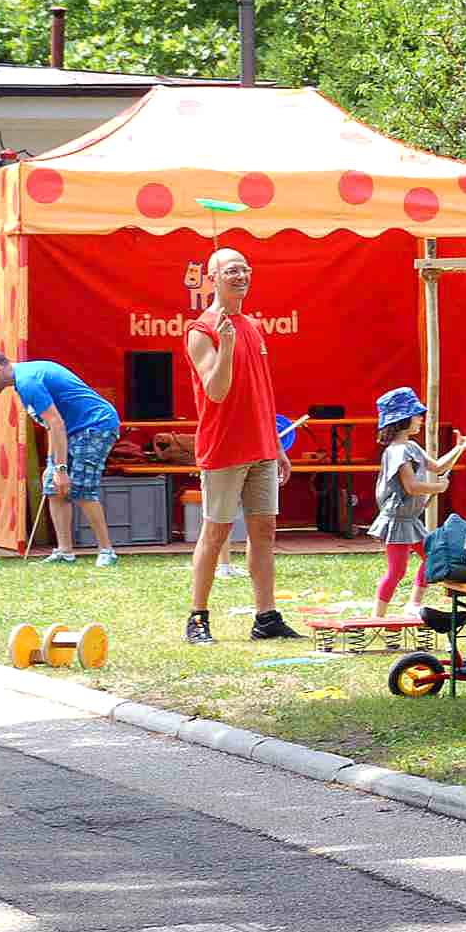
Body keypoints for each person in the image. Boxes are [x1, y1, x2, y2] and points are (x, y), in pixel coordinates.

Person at [182, 247, 301, 644]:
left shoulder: (251, 325)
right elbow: (216, 392)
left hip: (263, 446)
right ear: (212, 278)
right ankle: (197, 618)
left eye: (245, 269)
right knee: (215, 534)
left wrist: (276, 443)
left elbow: (260, 391)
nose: (241, 276)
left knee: (263, 530)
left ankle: (266, 617)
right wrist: (227, 347)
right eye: (231, 270)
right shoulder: (201, 331)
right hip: (224, 447)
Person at [0, 351, 122, 566]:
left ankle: (107, 551)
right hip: (71, 430)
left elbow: (57, 423)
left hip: (96, 426)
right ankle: (64, 552)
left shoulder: (28, 381)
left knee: (82, 489)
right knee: (53, 488)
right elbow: (52, 425)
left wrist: (61, 469)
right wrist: (52, 464)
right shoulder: (23, 380)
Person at [367, 387, 466, 618]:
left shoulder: (411, 447)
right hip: (397, 521)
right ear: (402, 420)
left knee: (431, 556)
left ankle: (414, 603)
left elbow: (437, 467)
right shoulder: (396, 452)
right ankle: (377, 616)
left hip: (410, 519)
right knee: (397, 571)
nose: (420, 419)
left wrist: (459, 448)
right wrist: (437, 487)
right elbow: (411, 486)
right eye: (416, 415)